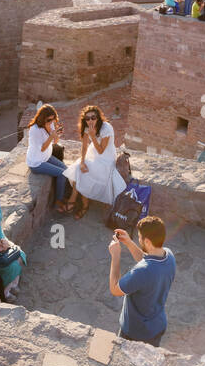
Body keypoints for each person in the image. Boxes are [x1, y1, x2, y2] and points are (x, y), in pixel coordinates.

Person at [108, 216, 176, 347]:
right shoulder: (168, 255)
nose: (138, 240)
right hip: (157, 327)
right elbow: (147, 259)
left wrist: (115, 256)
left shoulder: (141, 272)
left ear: (148, 242)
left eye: (139, 237)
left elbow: (114, 289)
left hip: (135, 333)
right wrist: (129, 242)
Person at [64, 105, 123, 218]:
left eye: (93, 117)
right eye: (87, 119)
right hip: (93, 154)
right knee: (78, 168)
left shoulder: (107, 128)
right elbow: (85, 146)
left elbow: (101, 150)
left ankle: (80, 204)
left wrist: (93, 136)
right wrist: (82, 161)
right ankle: (80, 202)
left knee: (83, 174)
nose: (90, 120)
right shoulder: (87, 127)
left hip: (106, 159)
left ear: (98, 117)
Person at [26, 103, 72, 212]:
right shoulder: (35, 130)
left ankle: (65, 195)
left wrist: (56, 134)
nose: (51, 121)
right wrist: (52, 136)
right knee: (61, 173)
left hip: (46, 157)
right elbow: (42, 148)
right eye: (49, 119)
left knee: (66, 170)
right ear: (42, 118)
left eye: (53, 119)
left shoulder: (50, 124)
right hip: (36, 162)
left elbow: (55, 142)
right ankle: (58, 201)